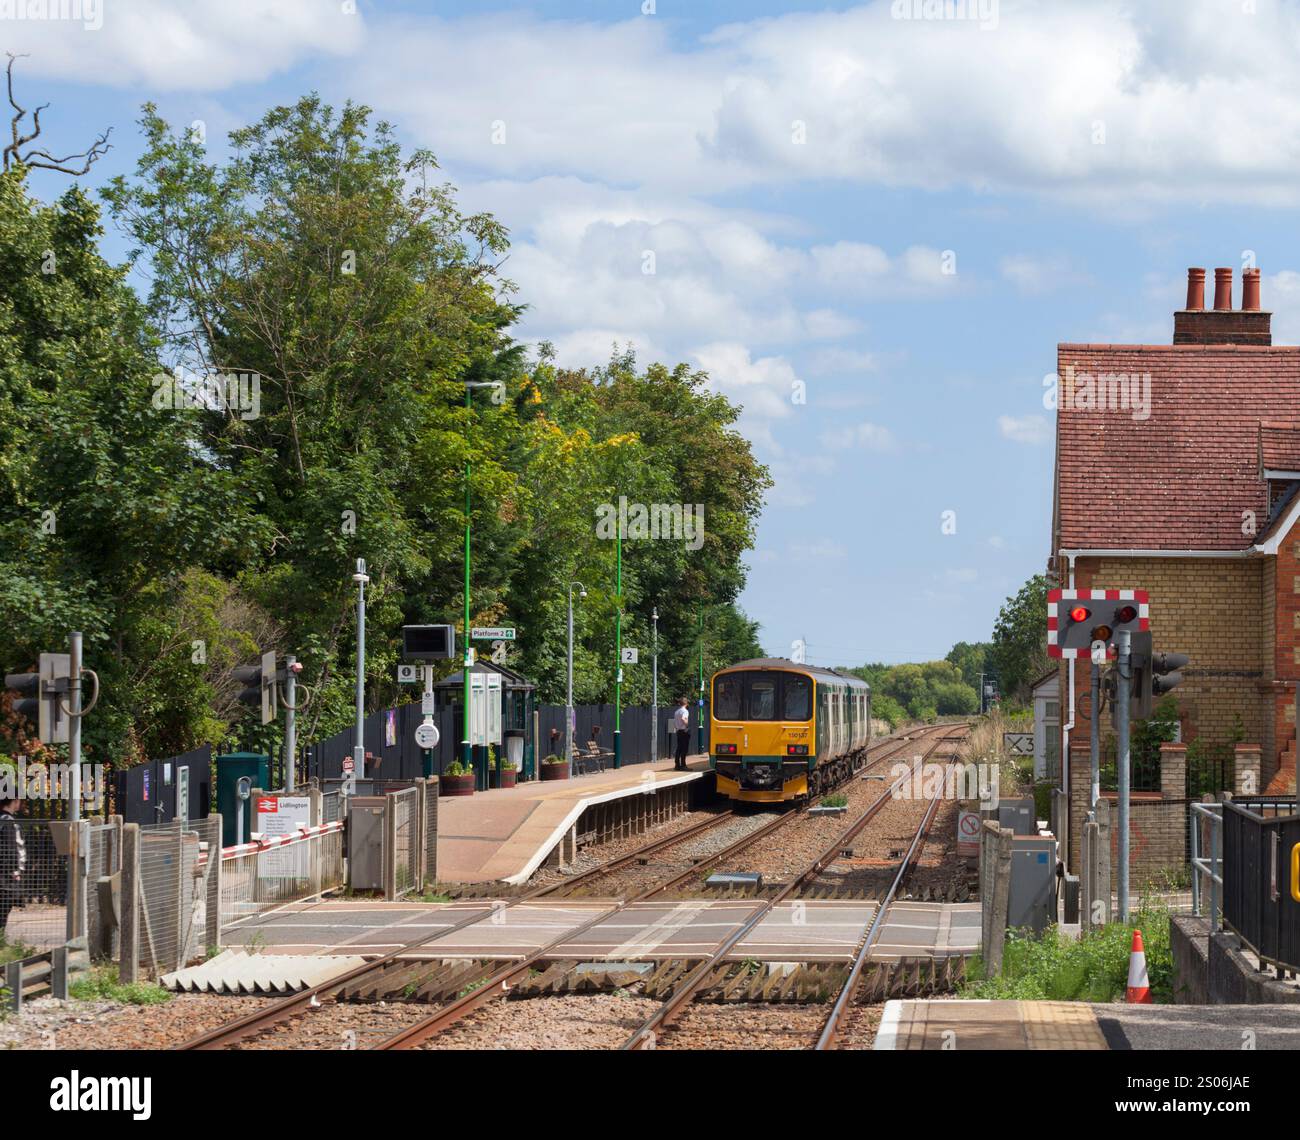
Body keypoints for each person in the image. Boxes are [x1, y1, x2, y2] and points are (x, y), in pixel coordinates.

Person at [0, 797, 26, 941]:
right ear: (14, 801)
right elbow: (10, 848)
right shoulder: (8, 821)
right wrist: (14, 870)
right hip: (6, 875)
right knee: (4, 907)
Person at [673, 698, 690, 771]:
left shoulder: (676, 712)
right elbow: (683, 719)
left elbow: (675, 721)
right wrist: (687, 725)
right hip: (684, 731)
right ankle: (683, 765)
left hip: (678, 731)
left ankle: (677, 765)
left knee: (679, 748)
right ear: (686, 703)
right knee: (684, 749)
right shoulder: (685, 711)